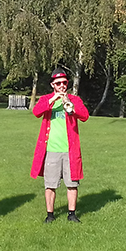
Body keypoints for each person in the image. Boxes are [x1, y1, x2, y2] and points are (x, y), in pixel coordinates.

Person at [30, 67, 90, 223]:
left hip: (70, 150)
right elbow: (36, 112)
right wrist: (53, 99)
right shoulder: (46, 99)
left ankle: (72, 214)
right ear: (53, 85)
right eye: (58, 83)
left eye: (64, 83)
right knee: (50, 185)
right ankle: (50, 215)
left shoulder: (74, 99)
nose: (62, 86)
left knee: (72, 184)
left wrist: (69, 104)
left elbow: (85, 116)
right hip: (51, 149)